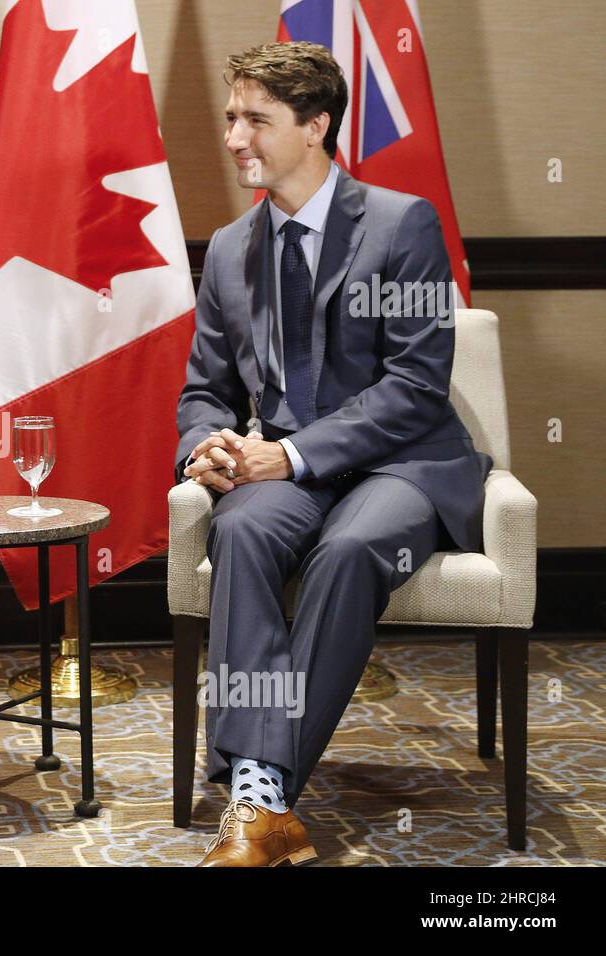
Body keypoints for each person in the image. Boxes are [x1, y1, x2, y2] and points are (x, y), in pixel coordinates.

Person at [175, 41, 490, 866]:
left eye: (256, 120)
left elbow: (419, 385)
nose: (235, 136)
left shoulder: (403, 222)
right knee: (239, 531)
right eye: (232, 116)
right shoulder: (230, 247)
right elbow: (205, 388)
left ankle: (261, 790)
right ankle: (264, 803)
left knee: (349, 550)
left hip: (403, 464)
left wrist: (295, 456)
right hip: (283, 467)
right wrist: (203, 446)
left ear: (316, 126)